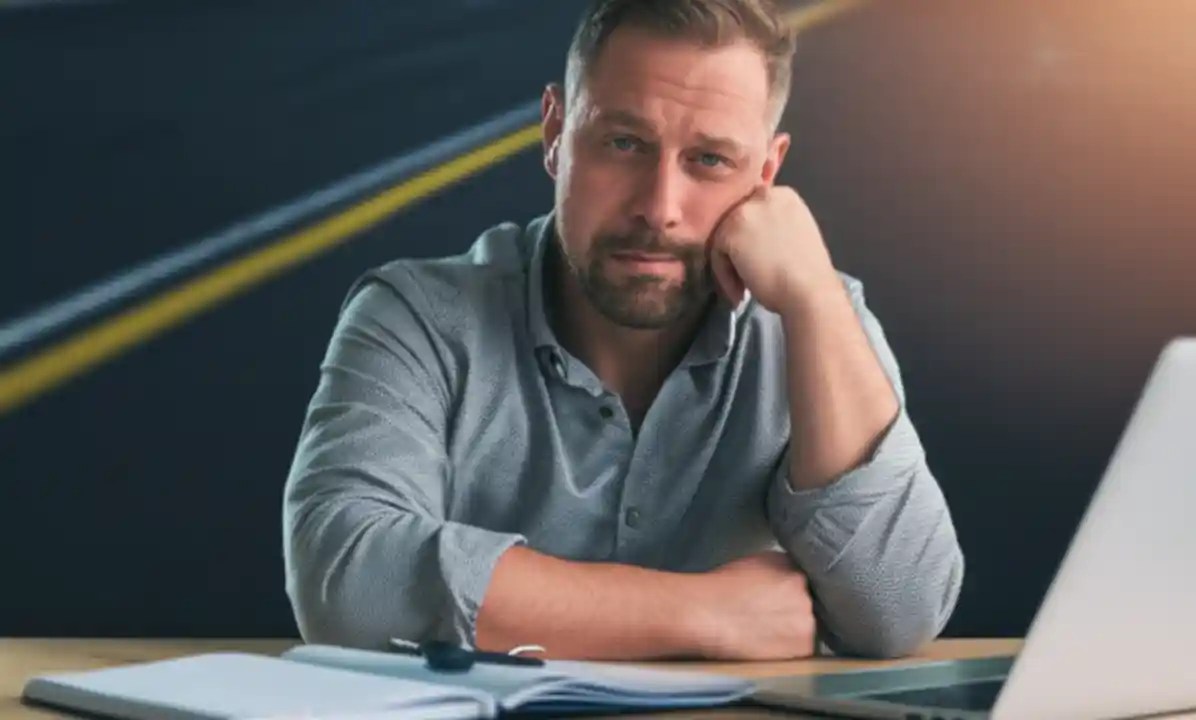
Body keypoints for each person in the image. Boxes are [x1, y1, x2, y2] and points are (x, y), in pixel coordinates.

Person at [283, 0, 963, 661]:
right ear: (555, 133)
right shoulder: (415, 318)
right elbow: (346, 579)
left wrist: (814, 300)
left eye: (710, 161)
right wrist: (707, 614)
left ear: (766, 173)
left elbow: (898, 610)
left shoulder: (819, 321)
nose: (659, 207)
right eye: (624, 143)